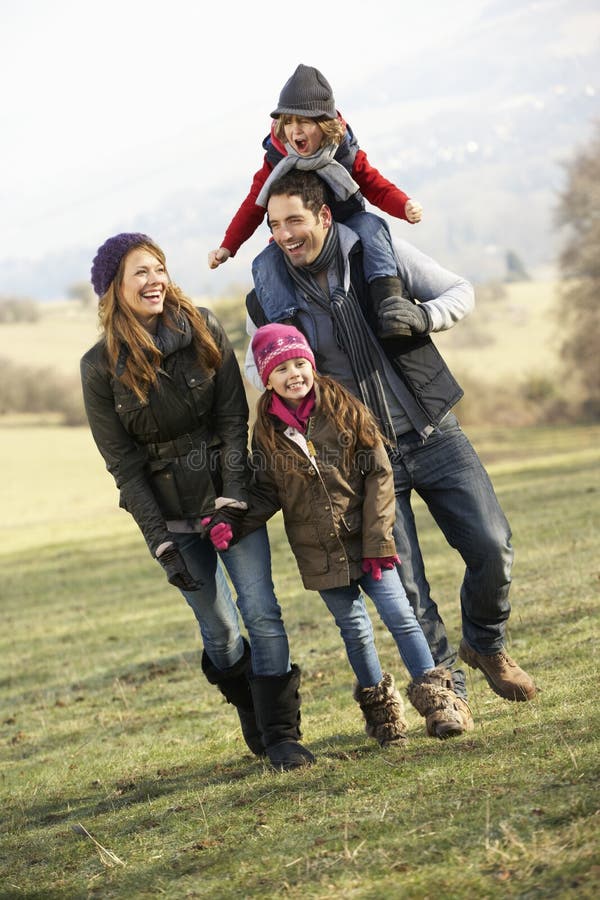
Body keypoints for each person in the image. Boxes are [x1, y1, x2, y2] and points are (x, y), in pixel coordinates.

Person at [244, 170, 538, 707]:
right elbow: (255, 362)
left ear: (323, 215)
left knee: (493, 548)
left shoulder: (375, 250)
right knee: (406, 588)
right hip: (358, 461)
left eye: (295, 220)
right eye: (274, 224)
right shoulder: (267, 296)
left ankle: (486, 643)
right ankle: (449, 697)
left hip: (433, 432)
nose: (285, 234)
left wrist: (424, 315)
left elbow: (460, 291)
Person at [80, 232, 315, 772]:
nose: (154, 279)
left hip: (232, 499)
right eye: (139, 272)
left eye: (158, 268)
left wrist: (233, 495)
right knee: (220, 631)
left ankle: (281, 735)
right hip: (172, 519)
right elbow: (124, 465)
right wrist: (158, 540)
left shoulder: (203, 326)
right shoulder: (98, 368)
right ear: (114, 288)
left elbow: (234, 420)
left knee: (262, 612)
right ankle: (251, 710)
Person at [207, 323, 474, 744]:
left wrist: (378, 540)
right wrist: (233, 523)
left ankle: (441, 703)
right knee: (354, 629)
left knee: (402, 617)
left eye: (300, 363)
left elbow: (380, 474)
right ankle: (383, 717)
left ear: (310, 364)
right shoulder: (266, 433)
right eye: (281, 369)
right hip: (320, 553)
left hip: (369, 543)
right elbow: (266, 492)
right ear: (266, 379)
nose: (294, 374)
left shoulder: (342, 407)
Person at [208, 64, 422, 338]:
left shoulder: (344, 153)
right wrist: (228, 246)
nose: (295, 130)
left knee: (373, 227)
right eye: (289, 122)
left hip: (348, 220)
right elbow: (253, 205)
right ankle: (287, 331)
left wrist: (404, 206)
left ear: (324, 124)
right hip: (302, 233)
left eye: (305, 122)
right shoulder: (276, 158)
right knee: (264, 264)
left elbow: (375, 186)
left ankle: (389, 302)